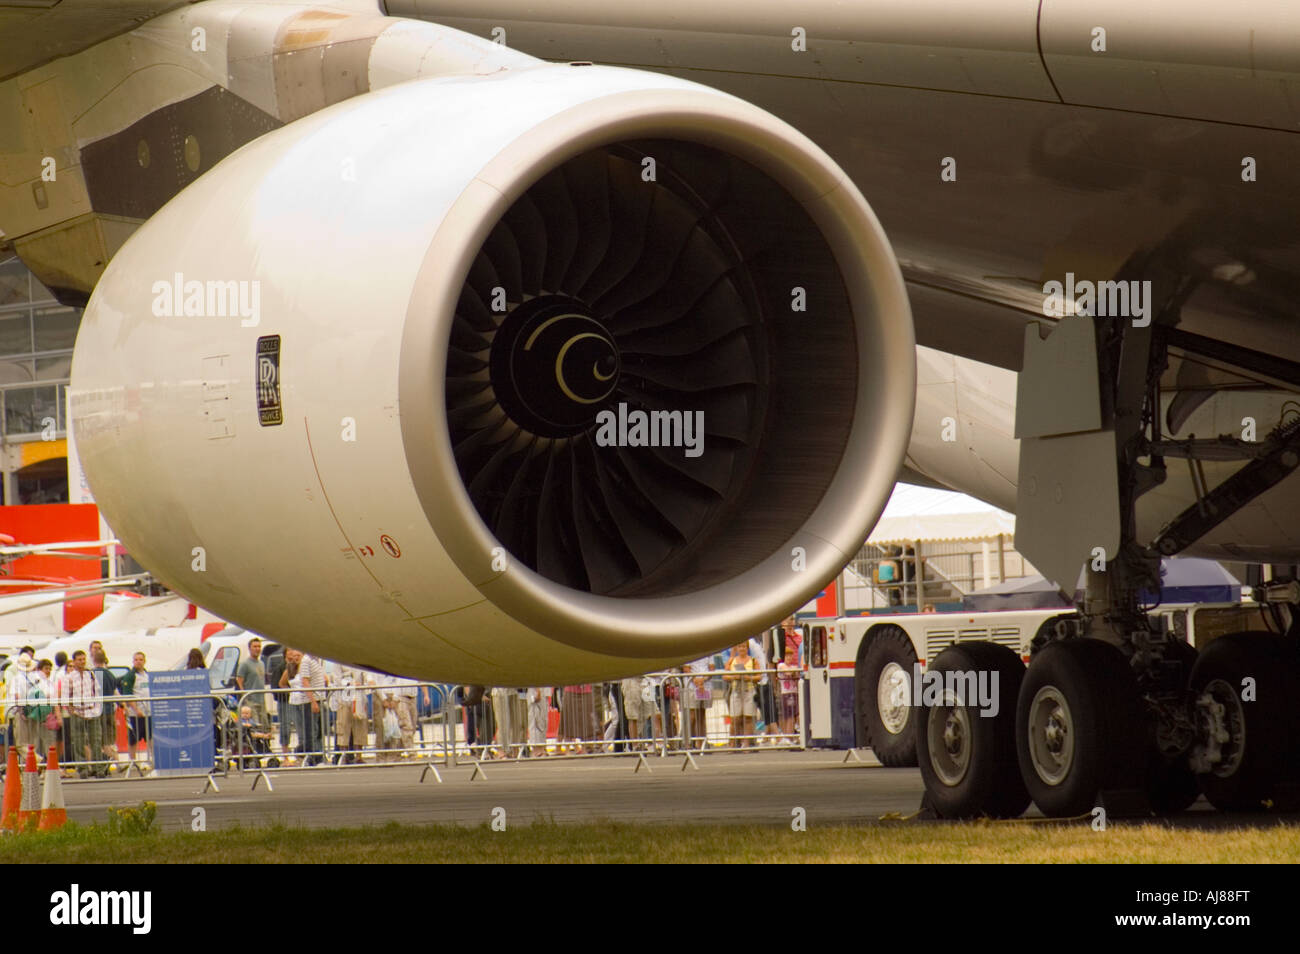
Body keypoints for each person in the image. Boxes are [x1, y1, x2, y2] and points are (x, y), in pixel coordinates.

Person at [60, 650, 105, 778]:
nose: (82, 662)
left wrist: (97, 708)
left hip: (92, 711)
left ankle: (98, 768)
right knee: (79, 741)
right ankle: (82, 768)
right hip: (78, 712)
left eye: (83, 659)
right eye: (79, 659)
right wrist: (72, 710)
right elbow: (65, 697)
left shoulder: (90, 674)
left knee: (96, 740)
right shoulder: (68, 678)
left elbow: (96, 692)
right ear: (74, 661)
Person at [723, 643, 760, 748]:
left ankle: (746, 743)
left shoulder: (753, 661)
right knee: (735, 718)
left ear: (747, 648)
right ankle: (733, 743)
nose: (742, 649)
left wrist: (749, 678)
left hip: (749, 690)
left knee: (748, 718)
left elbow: (759, 676)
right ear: (737, 648)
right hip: (736, 690)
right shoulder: (731, 660)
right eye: (740, 647)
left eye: (744, 647)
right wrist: (734, 677)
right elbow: (725, 676)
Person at [331, 666, 369, 764]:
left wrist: (367, 682)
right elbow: (337, 679)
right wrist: (350, 684)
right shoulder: (338, 661)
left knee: (360, 726)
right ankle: (343, 755)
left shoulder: (359, 658)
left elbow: (365, 674)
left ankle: (359, 756)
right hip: (344, 696)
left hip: (359, 696)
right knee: (343, 726)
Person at [117, 652, 151, 765]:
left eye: (141, 659)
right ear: (133, 661)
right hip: (135, 714)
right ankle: (133, 761)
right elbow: (128, 695)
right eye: (136, 659)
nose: (138, 661)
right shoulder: (130, 676)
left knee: (150, 737)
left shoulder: (147, 675)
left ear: (144, 661)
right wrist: (136, 710)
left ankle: (151, 759)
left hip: (148, 712)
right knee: (133, 738)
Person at [235, 637, 267, 724]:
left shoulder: (262, 663)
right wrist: (244, 696)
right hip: (250, 700)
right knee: (254, 724)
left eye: (259, 646)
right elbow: (239, 680)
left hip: (261, 700)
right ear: (250, 648)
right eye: (255, 646)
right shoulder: (245, 664)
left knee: (263, 724)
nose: (257, 649)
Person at [558, 683, 596, 754]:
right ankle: (567, 749)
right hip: (571, 690)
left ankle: (584, 748)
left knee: (586, 721)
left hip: (586, 691)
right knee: (569, 721)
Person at [777, 646, 801, 741]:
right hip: (786, 694)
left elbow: (796, 675)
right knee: (789, 717)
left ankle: (792, 736)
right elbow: (787, 672)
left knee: (795, 716)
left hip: (794, 693)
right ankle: (788, 738)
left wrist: (794, 671)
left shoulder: (793, 666)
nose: (789, 658)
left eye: (790, 656)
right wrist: (794, 671)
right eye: (787, 656)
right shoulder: (781, 665)